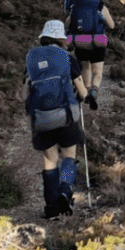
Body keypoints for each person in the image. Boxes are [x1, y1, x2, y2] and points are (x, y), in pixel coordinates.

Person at [20, 19, 88, 219]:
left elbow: (23, 95)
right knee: (69, 156)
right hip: (66, 115)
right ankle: (65, 190)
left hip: (41, 118)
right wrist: (81, 98)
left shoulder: (31, 59)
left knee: (50, 162)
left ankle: (51, 210)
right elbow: (82, 91)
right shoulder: (67, 58)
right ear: (61, 38)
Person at [67, 0, 115, 108]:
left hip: (81, 40)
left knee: (85, 67)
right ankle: (94, 90)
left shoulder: (77, 6)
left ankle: (86, 92)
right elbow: (112, 25)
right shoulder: (101, 6)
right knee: (98, 71)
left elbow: (68, 22)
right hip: (98, 40)